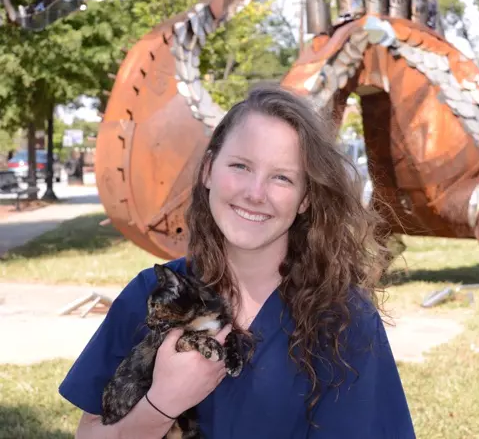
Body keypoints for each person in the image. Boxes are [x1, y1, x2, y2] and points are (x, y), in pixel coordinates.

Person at [59, 86, 415, 438]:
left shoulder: (343, 320)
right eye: (241, 166)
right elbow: (90, 433)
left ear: (305, 198)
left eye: (281, 177)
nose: (255, 193)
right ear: (209, 170)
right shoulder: (153, 296)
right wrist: (161, 405)